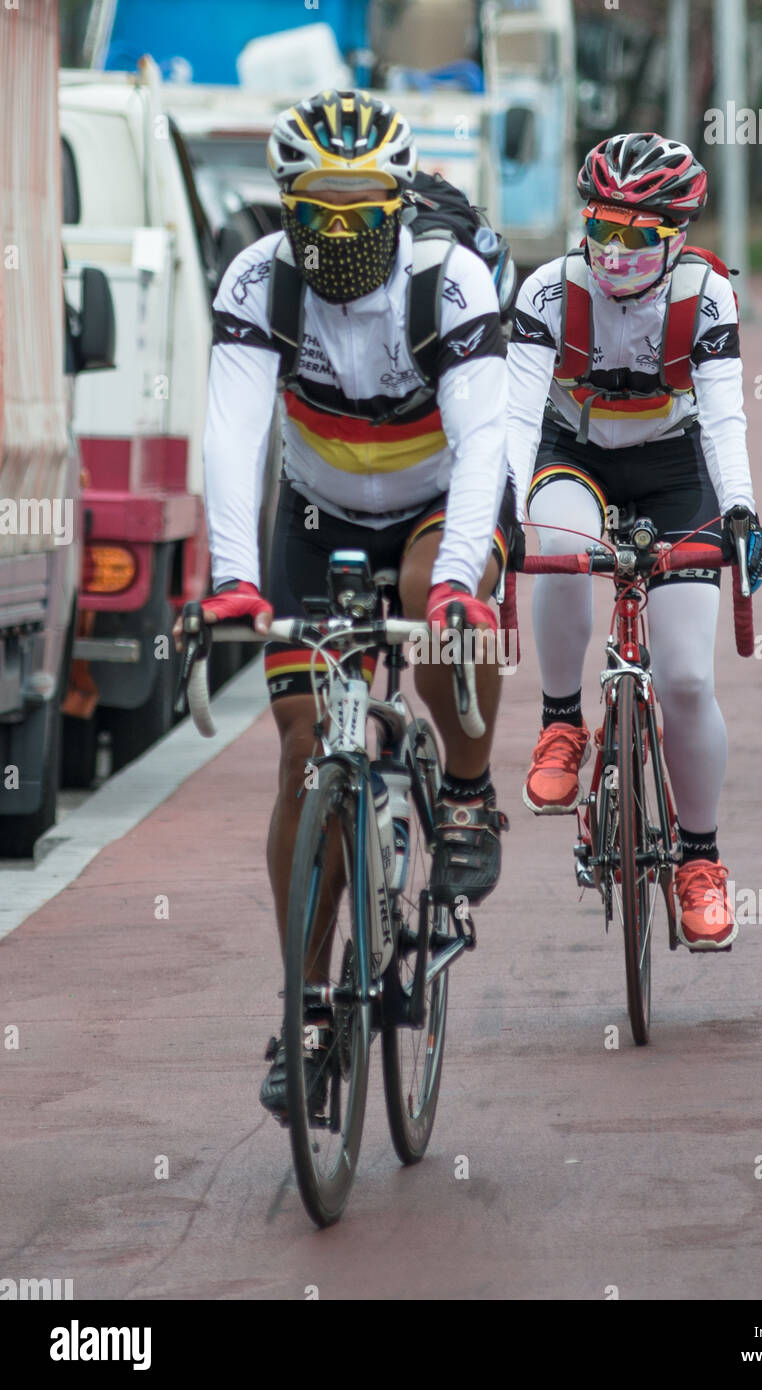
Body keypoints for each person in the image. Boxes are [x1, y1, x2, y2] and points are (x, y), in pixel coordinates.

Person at [179, 91, 512, 1115]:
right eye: (313, 212)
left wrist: (460, 578)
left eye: (359, 212)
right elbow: (232, 438)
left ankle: (462, 788)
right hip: (318, 514)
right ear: (282, 209)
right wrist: (231, 574)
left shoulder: (446, 281)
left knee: (428, 596)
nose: (336, 234)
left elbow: (485, 442)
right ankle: (307, 1007)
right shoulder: (257, 280)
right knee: (296, 750)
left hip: (434, 503)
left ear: (397, 204)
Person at [506, 132, 762, 950]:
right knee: (557, 537)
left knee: (689, 678)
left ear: (678, 236)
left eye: (639, 235)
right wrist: (498, 514)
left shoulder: (707, 293)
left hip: (674, 468)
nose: (616, 251)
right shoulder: (547, 290)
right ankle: (562, 720)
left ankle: (700, 861)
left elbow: (724, 416)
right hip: (572, 453)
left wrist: (742, 515)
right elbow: (517, 420)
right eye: (603, 228)